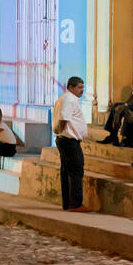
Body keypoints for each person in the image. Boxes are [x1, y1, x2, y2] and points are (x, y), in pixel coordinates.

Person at [52, 76, 89, 212]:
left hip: (66, 140)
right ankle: (76, 204)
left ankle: (68, 203)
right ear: (71, 87)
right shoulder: (68, 99)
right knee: (76, 170)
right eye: (79, 87)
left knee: (67, 171)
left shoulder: (66, 99)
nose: (82, 90)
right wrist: (61, 131)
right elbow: (64, 118)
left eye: (83, 87)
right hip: (68, 140)